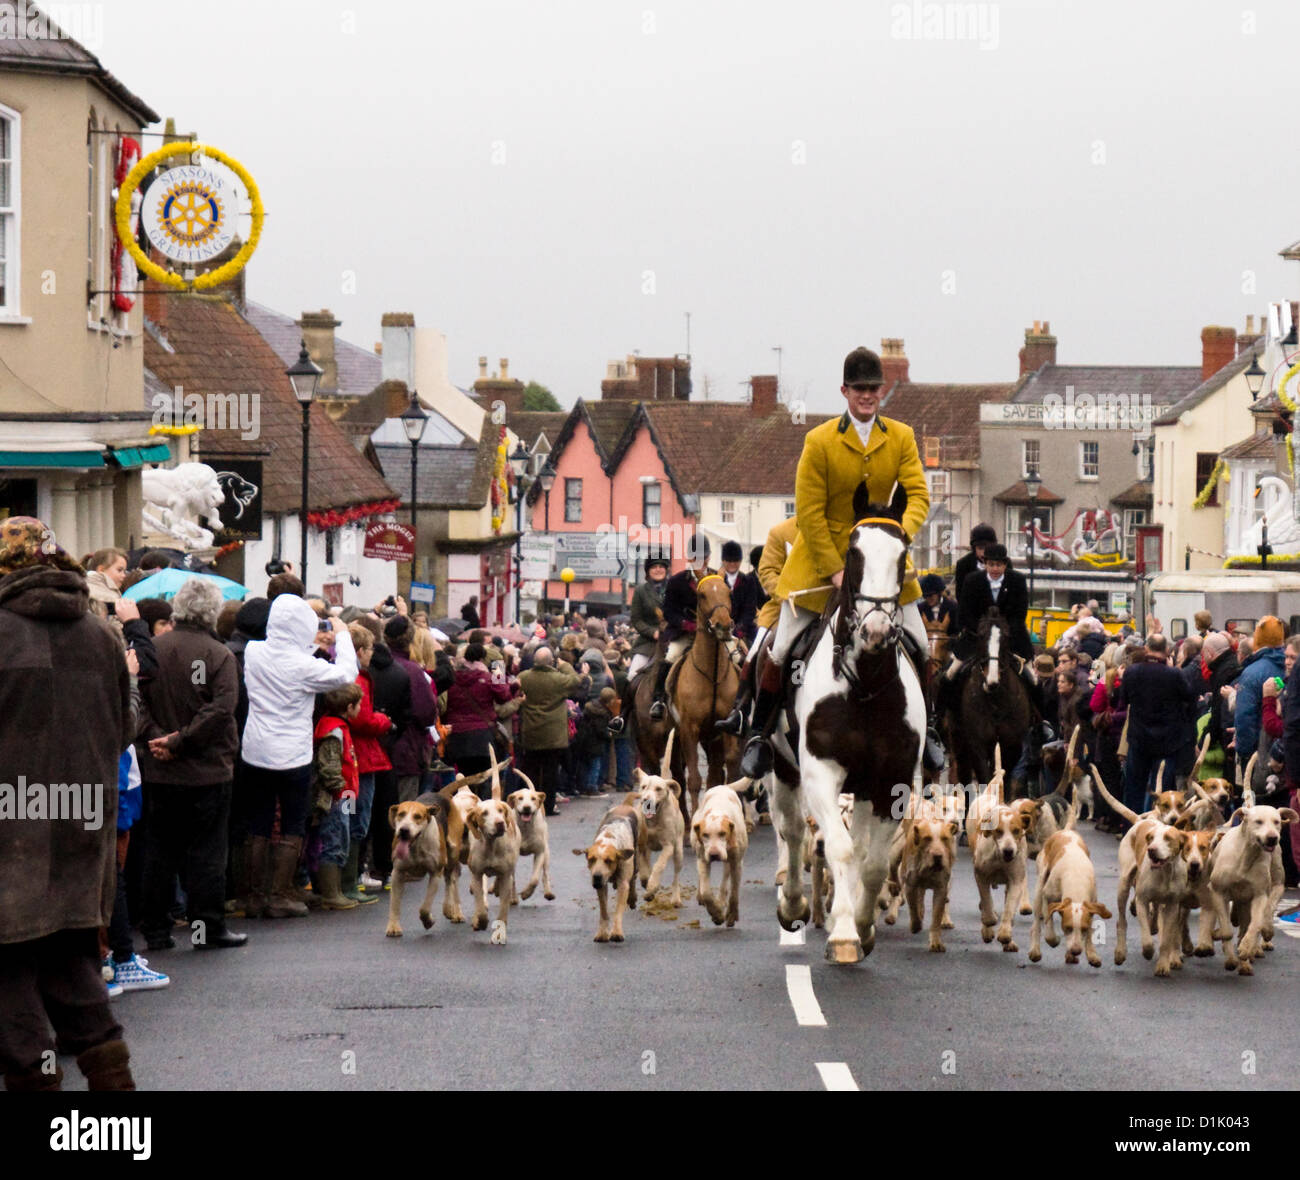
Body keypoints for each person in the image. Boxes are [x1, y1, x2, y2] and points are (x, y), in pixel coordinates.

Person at [742, 346, 935, 778]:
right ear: (845, 391)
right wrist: (834, 568)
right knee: (780, 645)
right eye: (859, 389)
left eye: (873, 389)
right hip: (820, 561)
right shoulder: (820, 440)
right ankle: (759, 732)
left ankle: (931, 730)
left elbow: (919, 494)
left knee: (921, 643)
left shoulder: (901, 436)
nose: (867, 396)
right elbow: (808, 512)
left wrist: (898, 532)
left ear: (881, 391)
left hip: (882, 562)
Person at [0, 518, 137, 1091]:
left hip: (11, 831)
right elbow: (127, 726)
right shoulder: (102, 634)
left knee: (9, 978)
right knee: (72, 966)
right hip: (82, 825)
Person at [136, 577, 247, 951]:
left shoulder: (153, 648)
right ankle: (205, 930)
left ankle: (156, 931)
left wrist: (159, 738)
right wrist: (179, 740)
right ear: (211, 612)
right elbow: (220, 711)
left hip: (162, 769)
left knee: (160, 851)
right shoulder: (218, 655)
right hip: (206, 770)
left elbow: (138, 702)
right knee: (205, 854)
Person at [241, 595, 358, 919]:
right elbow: (347, 673)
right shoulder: (305, 667)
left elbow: (284, 651)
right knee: (293, 824)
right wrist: (343, 633)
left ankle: (253, 895)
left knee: (258, 824)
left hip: (255, 748)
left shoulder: (254, 652)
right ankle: (279, 894)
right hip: (292, 753)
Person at [718, 517, 798, 735]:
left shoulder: (840, 525)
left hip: (827, 605)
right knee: (754, 653)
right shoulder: (780, 532)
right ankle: (741, 711)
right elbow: (768, 571)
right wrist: (784, 592)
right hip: (784, 607)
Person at [1120, 634, 1194, 822]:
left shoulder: (1132, 672)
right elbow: (1190, 698)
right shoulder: (1175, 674)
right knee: (1160, 789)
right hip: (1168, 741)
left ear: (1146, 648)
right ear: (1167, 651)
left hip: (1138, 738)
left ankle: (1132, 829)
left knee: (1134, 788)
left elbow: (1123, 700)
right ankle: (1158, 827)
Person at [343, 623, 390, 903]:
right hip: (360, 758)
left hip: (355, 756)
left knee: (350, 816)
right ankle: (350, 881)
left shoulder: (354, 676)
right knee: (356, 817)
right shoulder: (358, 679)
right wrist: (384, 720)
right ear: (360, 651)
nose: (373, 654)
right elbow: (362, 719)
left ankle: (350, 878)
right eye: (370, 648)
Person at [312, 683, 364, 909]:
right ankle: (330, 893)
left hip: (349, 793)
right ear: (349, 706)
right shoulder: (333, 730)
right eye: (359, 705)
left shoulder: (342, 727)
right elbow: (330, 766)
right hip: (339, 796)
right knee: (334, 837)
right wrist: (338, 789)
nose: (361, 708)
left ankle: (340, 887)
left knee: (344, 833)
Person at [649, 534, 712, 720]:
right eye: (696, 557)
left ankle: (741, 705)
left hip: (711, 634)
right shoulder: (676, 581)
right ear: (689, 558)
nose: (700, 561)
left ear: (708, 557)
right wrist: (685, 624)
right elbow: (668, 611)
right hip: (685, 633)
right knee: (670, 657)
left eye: (703, 557)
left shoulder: (715, 578)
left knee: (736, 655)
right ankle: (658, 700)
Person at [442, 641, 518, 789]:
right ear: (483, 658)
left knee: (463, 779)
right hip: (482, 735)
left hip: (457, 735)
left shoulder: (451, 678)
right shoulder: (488, 676)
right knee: (484, 778)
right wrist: (500, 669)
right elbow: (504, 695)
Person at [517, 647, 582, 816]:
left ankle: (527, 803)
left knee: (530, 770)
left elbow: (501, 683)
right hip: (553, 734)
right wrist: (565, 665)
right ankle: (548, 805)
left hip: (531, 731)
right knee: (550, 772)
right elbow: (575, 680)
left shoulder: (524, 677)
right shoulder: (558, 679)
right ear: (551, 661)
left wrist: (498, 663)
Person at [383, 616, 440, 802]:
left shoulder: (370, 667)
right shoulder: (413, 671)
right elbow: (426, 712)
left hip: (374, 752)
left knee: (366, 812)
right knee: (405, 812)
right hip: (406, 751)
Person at [1234, 616, 1287, 789]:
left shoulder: (1252, 673)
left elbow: (1245, 716)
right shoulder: (1290, 665)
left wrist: (1243, 753)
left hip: (1260, 752)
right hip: (1287, 751)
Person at [628, 552, 669, 680]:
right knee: (632, 676)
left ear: (666, 569)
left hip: (673, 640)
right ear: (648, 571)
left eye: (661, 566)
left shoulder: (675, 588)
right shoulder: (640, 590)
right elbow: (636, 619)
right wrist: (653, 632)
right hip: (648, 643)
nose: (658, 569)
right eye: (654, 567)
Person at [720, 539, 761, 646]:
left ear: (740, 561)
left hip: (744, 629)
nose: (732, 564)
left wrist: (738, 630)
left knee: (758, 648)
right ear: (723, 561)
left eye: (736, 561)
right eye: (729, 561)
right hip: (720, 628)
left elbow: (750, 610)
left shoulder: (748, 581)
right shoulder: (715, 580)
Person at [952, 524, 997, 619]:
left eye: (987, 548)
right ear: (974, 548)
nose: (984, 553)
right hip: (972, 616)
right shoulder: (963, 565)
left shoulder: (1004, 563)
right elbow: (960, 596)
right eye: (980, 548)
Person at [85, 546, 128, 619]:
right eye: (119, 570)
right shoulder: (105, 597)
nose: (124, 575)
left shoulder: (84, 587)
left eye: (125, 571)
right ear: (101, 570)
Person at [918, 573, 956, 637]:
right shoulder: (920, 608)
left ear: (939, 593)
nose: (927, 599)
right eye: (925, 596)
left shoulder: (953, 607)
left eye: (930, 595)